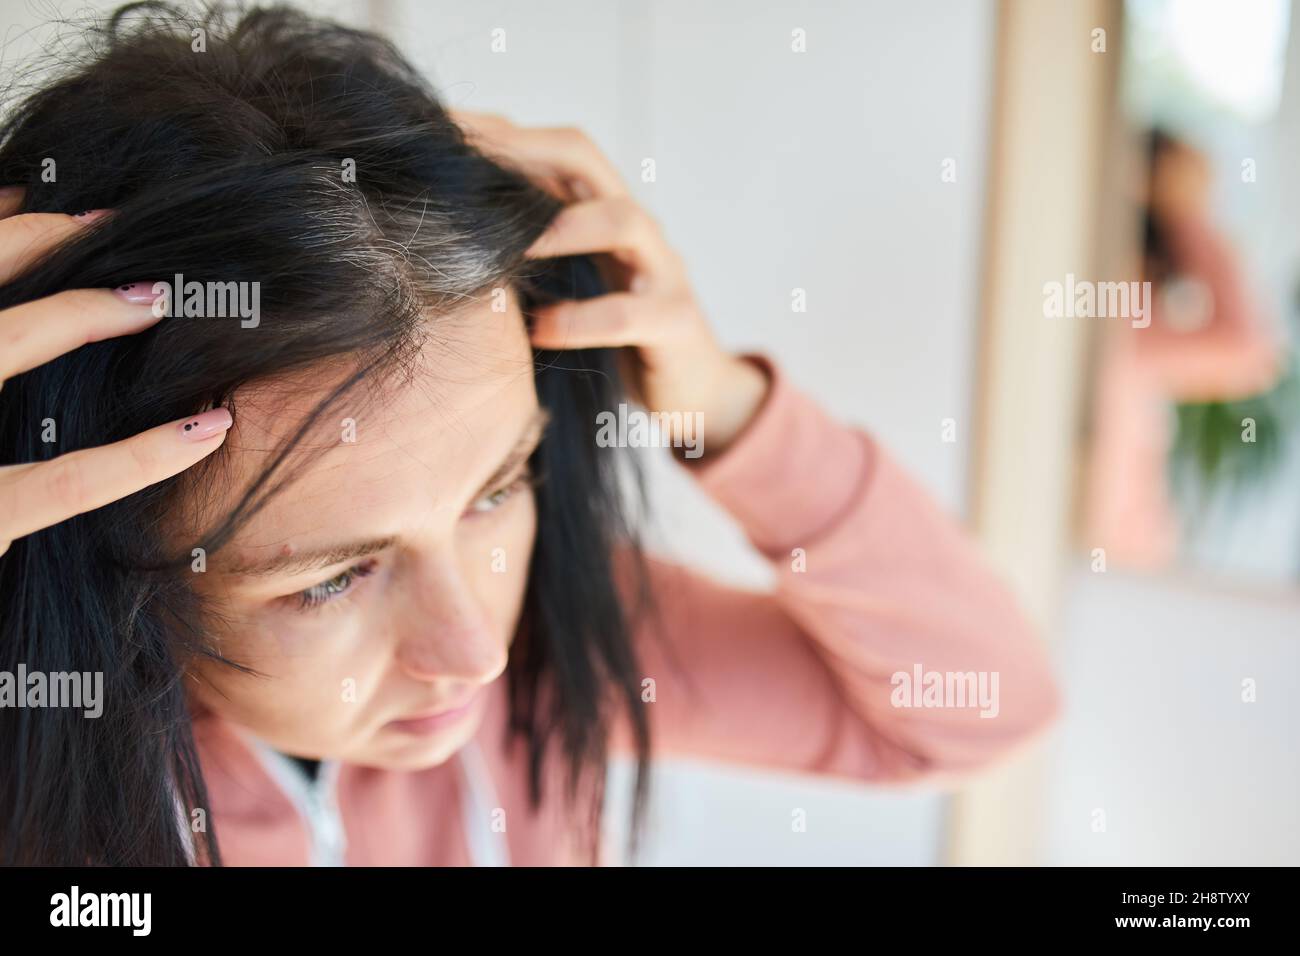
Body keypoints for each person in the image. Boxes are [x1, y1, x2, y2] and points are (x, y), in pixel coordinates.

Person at [0, 3, 1058, 866]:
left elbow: (979, 706)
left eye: (498, 488)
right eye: (330, 578)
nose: (472, 651)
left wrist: (727, 410)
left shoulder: (562, 654)